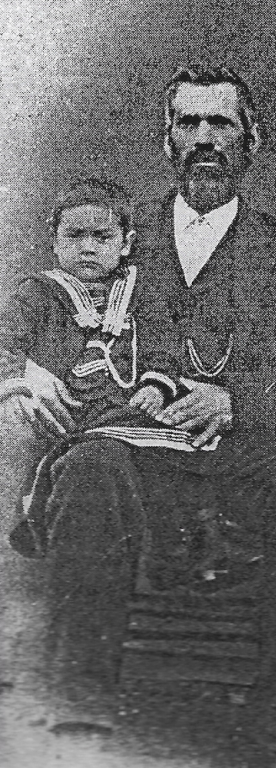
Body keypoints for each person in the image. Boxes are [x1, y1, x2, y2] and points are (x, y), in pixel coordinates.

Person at [20, 65, 276, 768]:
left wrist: (236, 400)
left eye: (222, 124)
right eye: (188, 124)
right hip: (135, 438)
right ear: (166, 138)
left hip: (245, 441)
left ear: (252, 141)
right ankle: (80, 715)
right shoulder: (114, 236)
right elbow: (44, 313)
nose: (204, 140)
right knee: (87, 471)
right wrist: (25, 371)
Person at [0, 179, 180, 537]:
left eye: (102, 237)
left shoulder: (142, 293)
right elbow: (5, 343)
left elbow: (164, 344)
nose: (87, 248)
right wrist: (18, 386)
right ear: (54, 242)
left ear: (126, 243)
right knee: (14, 432)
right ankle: (20, 527)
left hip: (124, 410)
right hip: (58, 410)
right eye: (74, 236)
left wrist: (156, 385)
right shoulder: (36, 293)